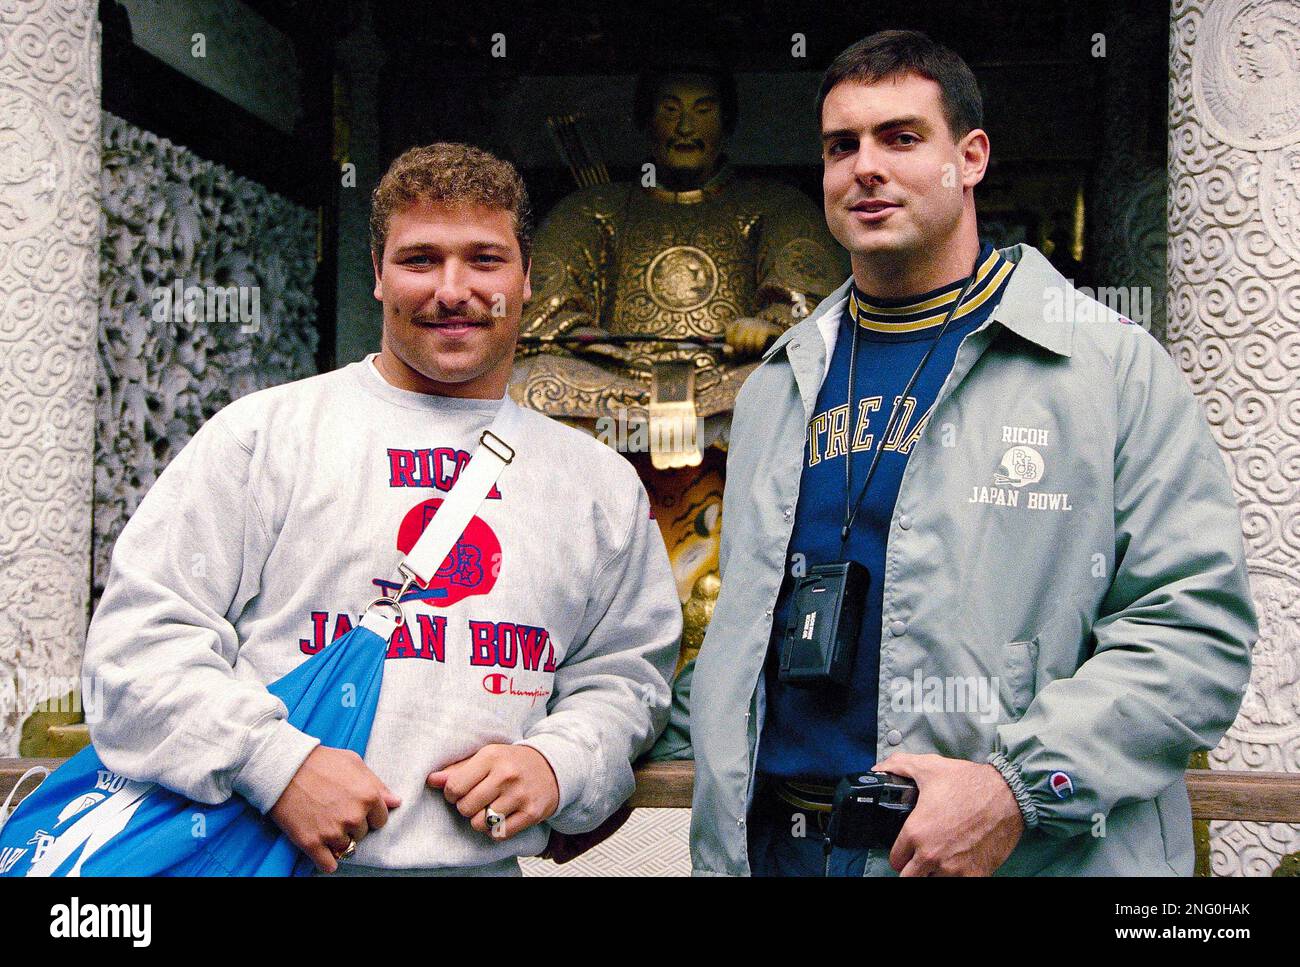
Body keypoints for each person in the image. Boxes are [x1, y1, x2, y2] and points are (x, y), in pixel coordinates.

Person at [688, 30, 1256, 877]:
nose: (866, 168)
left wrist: (1014, 789)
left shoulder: (1107, 367)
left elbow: (1195, 630)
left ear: (971, 157)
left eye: (901, 138)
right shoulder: (780, 380)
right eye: (842, 146)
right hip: (779, 849)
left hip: (1001, 856)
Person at [83, 142, 681, 876]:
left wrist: (560, 762)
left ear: (527, 277)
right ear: (377, 273)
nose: (452, 290)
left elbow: (627, 676)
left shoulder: (596, 483)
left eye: (485, 260)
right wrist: (274, 762)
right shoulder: (265, 438)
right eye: (420, 260)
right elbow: (137, 648)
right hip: (269, 863)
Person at [510, 55, 845, 758]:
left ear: (728, 120)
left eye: (702, 107)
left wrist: (767, 324)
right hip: (616, 380)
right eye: (668, 107)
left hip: (728, 380)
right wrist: (597, 340)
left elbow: (810, 302)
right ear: (643, 122)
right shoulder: (600, 209)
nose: (685, 124)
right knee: (532, 382)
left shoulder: (771, 205)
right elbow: (548, 312)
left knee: (788, 383)